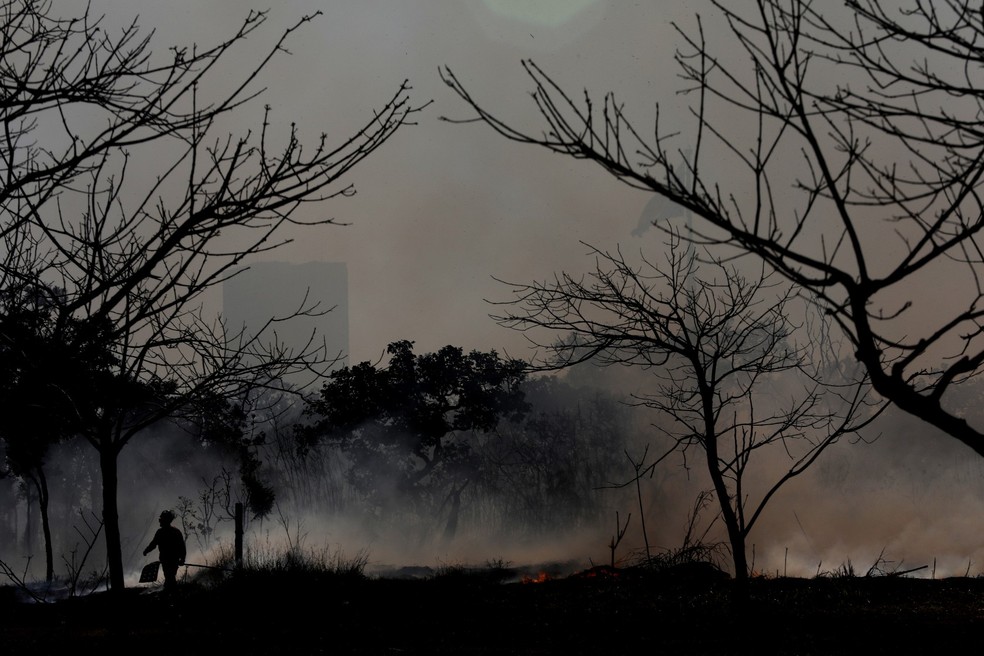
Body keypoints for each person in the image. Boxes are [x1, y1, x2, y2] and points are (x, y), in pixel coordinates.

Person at [143, 510, 186, 590]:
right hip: (172, 559)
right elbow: (182, 547)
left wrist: (146, 551)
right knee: (170, 576)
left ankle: (170, 592)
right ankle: (171, 591)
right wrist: (182, 559)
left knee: (169, 576)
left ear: (165, 520)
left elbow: (153, 544)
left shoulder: (161, 532)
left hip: (167, 559)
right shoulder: (176, 531)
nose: (160, 521)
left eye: (161, 519)